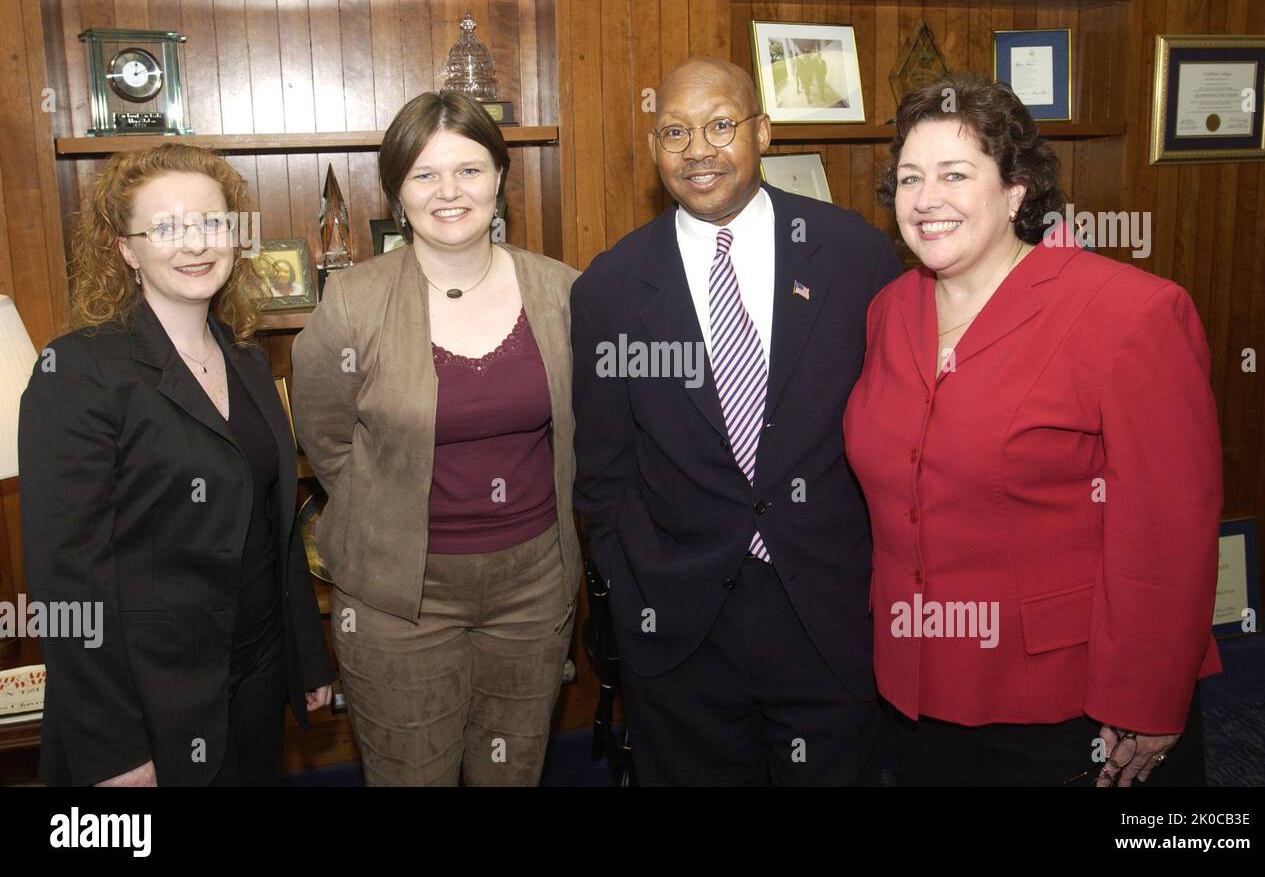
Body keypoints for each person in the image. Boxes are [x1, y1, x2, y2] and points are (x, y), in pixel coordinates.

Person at [844, 74, 1222, 786]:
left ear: (1016, 190)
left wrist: (1149, 697)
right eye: (910, 177)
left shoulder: (1130, 314)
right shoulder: (889, 311)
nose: (926, 199)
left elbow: (1168, 530)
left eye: (956, 173)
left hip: (1068, 702)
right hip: (917, 681)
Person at [571, 57, 900, 785]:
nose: (699, 151)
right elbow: (603, 473)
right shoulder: (611, 290)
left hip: (826, 610)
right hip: (681, 628)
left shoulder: (856, 257)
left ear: (763, 131)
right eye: (675, 132)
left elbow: (896, 438)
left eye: (721, 125)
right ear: (653, 147)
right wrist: (635, 591)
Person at [19, 143, 334, 787]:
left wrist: (307, 659)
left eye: (210, 222)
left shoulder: (246, 357)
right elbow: (67, 587)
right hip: (149, 702)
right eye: (163, 227)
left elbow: (275, 529)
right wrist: (114, 751)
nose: (193, 244)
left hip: (256, 676)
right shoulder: (77, 372)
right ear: (125, 249)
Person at [291, 91, 581, 786]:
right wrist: (387, 515)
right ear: (397, 191)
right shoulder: (353, 302)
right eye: (424, 174)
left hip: (534, 587)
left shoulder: (563, 292)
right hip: (399, 598)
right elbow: (326, 439)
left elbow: (584, 432)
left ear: (500, 179)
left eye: (469, 170)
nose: (449, 192)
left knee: (511, 772)